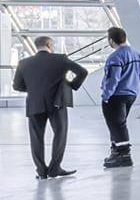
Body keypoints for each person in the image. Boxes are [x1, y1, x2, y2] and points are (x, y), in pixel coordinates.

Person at [11, 35, 87, 180]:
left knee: (36, 137)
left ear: (36, 46)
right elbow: (83, 72)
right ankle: (54, 168)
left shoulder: (24, 63)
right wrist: (71, 86)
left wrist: (34, 89)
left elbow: (16, 86)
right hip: (57, 103)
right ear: (49, 45)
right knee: (60, 134)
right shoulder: (60, 59)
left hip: (34, 102)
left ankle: (41, 171)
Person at [99, 26, 140, 170]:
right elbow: (138, 75)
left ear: (111, 40)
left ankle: (124, 156)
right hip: (131, 93)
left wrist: (106, 95)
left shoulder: (115, 57)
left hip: (116, 96)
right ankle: (116, 152)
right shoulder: (135, 53)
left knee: (117, 125)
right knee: (118, 124)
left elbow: (112, 79)